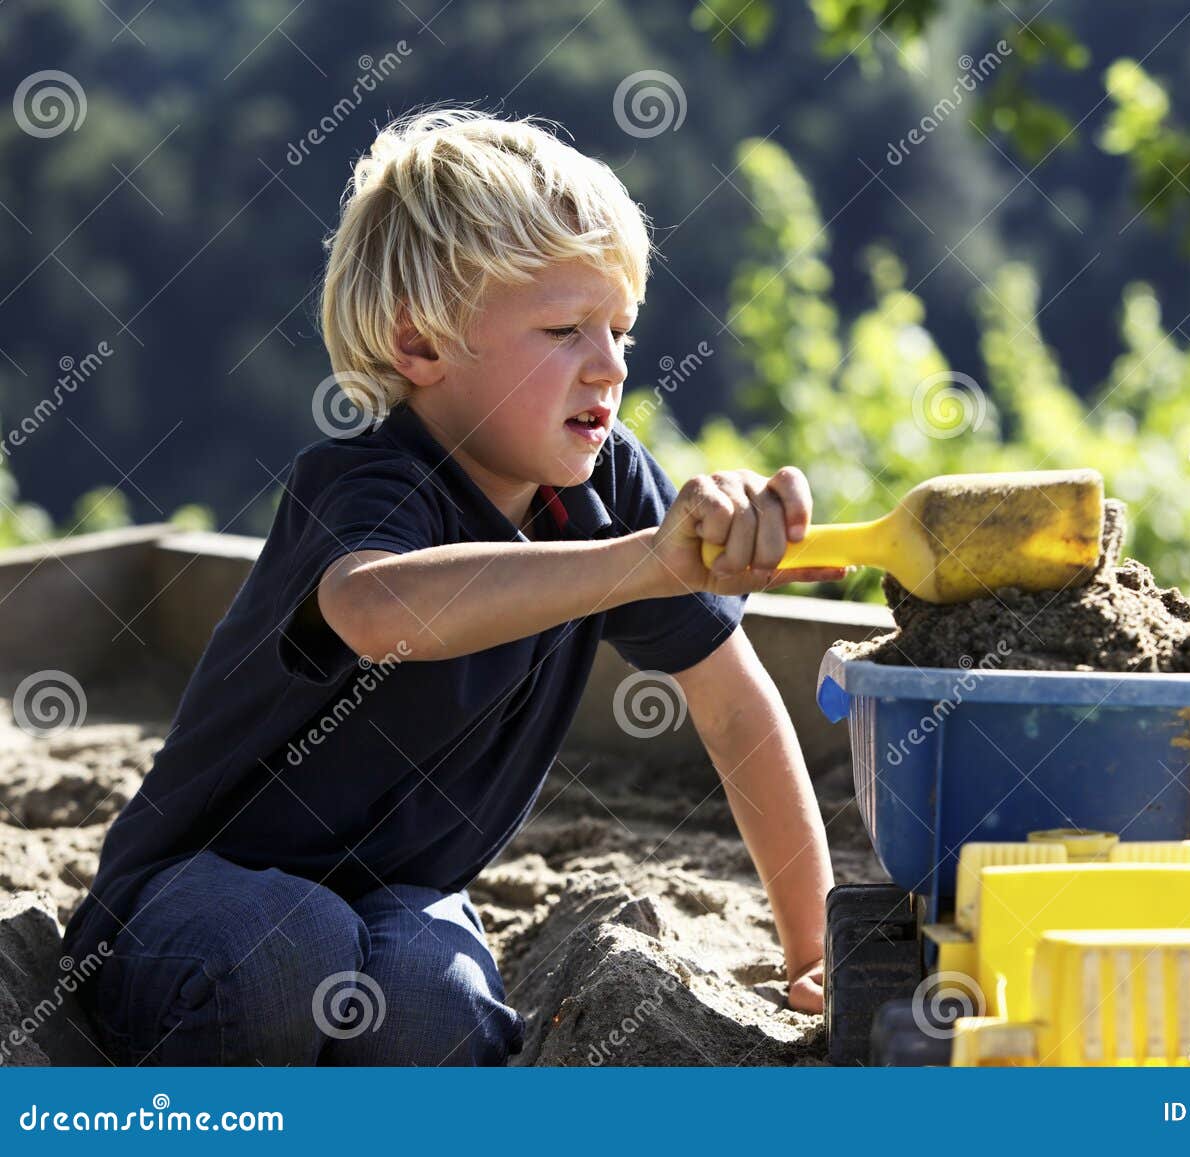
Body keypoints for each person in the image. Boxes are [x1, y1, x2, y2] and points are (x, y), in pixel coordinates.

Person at [60, 109, 844, 1066]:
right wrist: (647, 559)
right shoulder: (365, 485)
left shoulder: (608, 490)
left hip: (399, 895)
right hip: (198, 886)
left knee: (439, 1009)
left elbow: (735, 711)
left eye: (620, 328)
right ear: (422, 347)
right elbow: (380, 608)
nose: (609, 365)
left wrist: (815, 949)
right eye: (563, 330)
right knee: (287, 955)